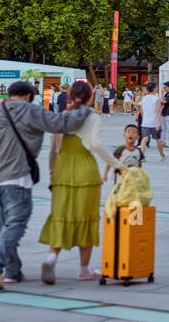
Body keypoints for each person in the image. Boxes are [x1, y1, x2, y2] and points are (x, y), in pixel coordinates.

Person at [0, 81, 95, 289]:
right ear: (27, 96)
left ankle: (13, 272)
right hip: (18, 176)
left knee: (5, 227)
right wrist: (84, 108)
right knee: (16, 223)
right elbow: (61, 124)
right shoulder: (28, 110)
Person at [38, 80, 117, 283]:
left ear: (70, 96)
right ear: (90, 97)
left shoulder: (62, 116)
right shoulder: (92, 117)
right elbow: (97, 144)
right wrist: (117, 164)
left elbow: (54, 149)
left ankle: (52, 257)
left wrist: (52, 174)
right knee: (86, 218)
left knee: (60, 215)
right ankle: (83, 269)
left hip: (63, 169)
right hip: (86, 170)